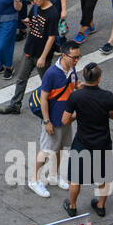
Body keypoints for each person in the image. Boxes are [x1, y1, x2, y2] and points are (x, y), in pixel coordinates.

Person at [62, 61, 113, 218]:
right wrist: (102, 112)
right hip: (102, 143)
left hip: (82, 143)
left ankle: (72, 206)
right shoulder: (108, 97)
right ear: (99, 78)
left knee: (75, 178)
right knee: (103, 177)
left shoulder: (76, 97)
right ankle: (101, 206)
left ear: (84, 78)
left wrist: (78, 114)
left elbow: (65, 120)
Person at [0, 0, 61, 116]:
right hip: (29, 49)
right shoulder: (36, 7)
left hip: (42, 54)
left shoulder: (53, 13)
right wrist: (28, 23)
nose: (34, 1)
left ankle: (53, 106)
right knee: (21, 79)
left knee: (47, 82)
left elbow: (51, 37)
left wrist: (43, 57)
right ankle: (15, 105)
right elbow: (32, 24)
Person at [27, 43, 81, 198]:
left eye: (78, 57)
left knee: (60, 147)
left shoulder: (71, 69)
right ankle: (34, 180)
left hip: (66, 119)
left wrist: (78, 86)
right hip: (53, 120)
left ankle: (54, 175)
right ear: (64, 56)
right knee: (45, 150)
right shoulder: (51, 73)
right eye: (74, 57)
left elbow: (72, 85)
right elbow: (44, 99)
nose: (77, 60)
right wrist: (46, 121)